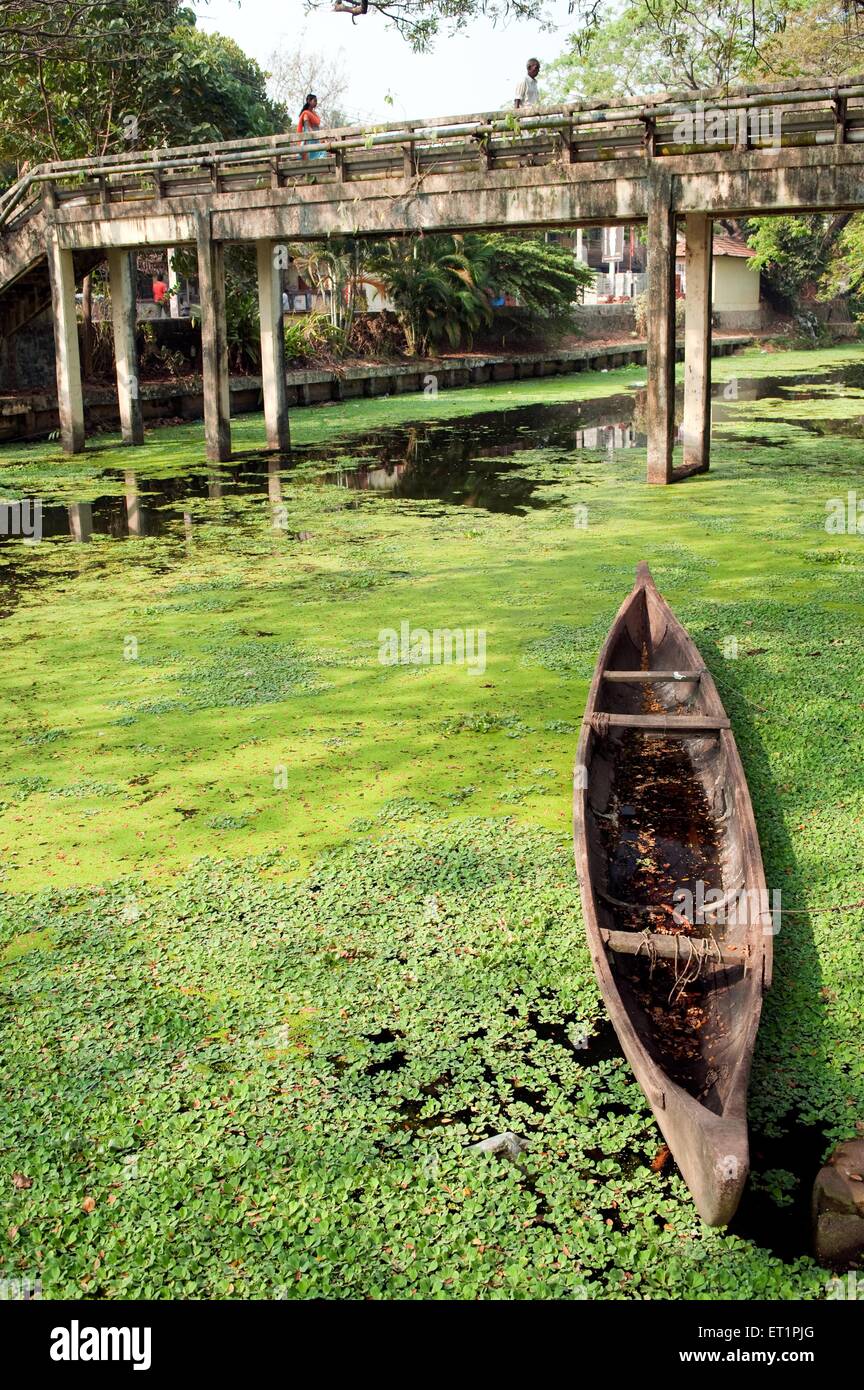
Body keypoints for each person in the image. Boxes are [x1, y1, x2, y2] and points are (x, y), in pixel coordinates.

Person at [298, 94, 325, 160]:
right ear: (309, 101)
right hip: (310, 137)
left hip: (316, 136)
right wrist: (315, 135)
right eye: (315, 101)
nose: (316, 103)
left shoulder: (314, 113)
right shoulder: (306, 114)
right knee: (312, 155)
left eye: (316, 101)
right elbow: (308, 128)